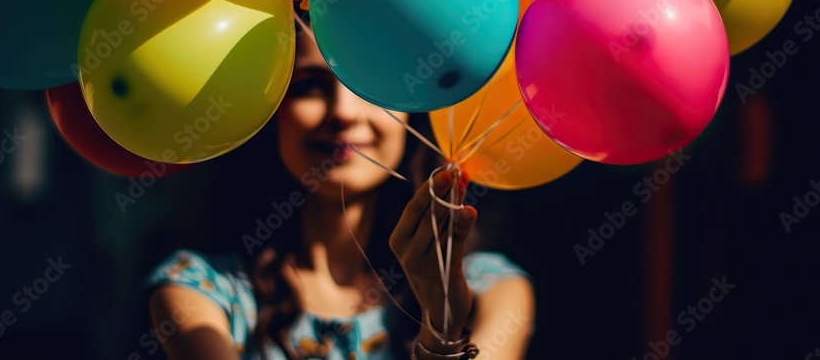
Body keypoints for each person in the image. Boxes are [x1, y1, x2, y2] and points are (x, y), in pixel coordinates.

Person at [146, 24, 535, 359]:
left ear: (411, 110)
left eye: (369, 83)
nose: (344, 111)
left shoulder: (493, 293)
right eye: (311, 86)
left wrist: (443, 330)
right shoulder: (197, 291)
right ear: (266, 109)